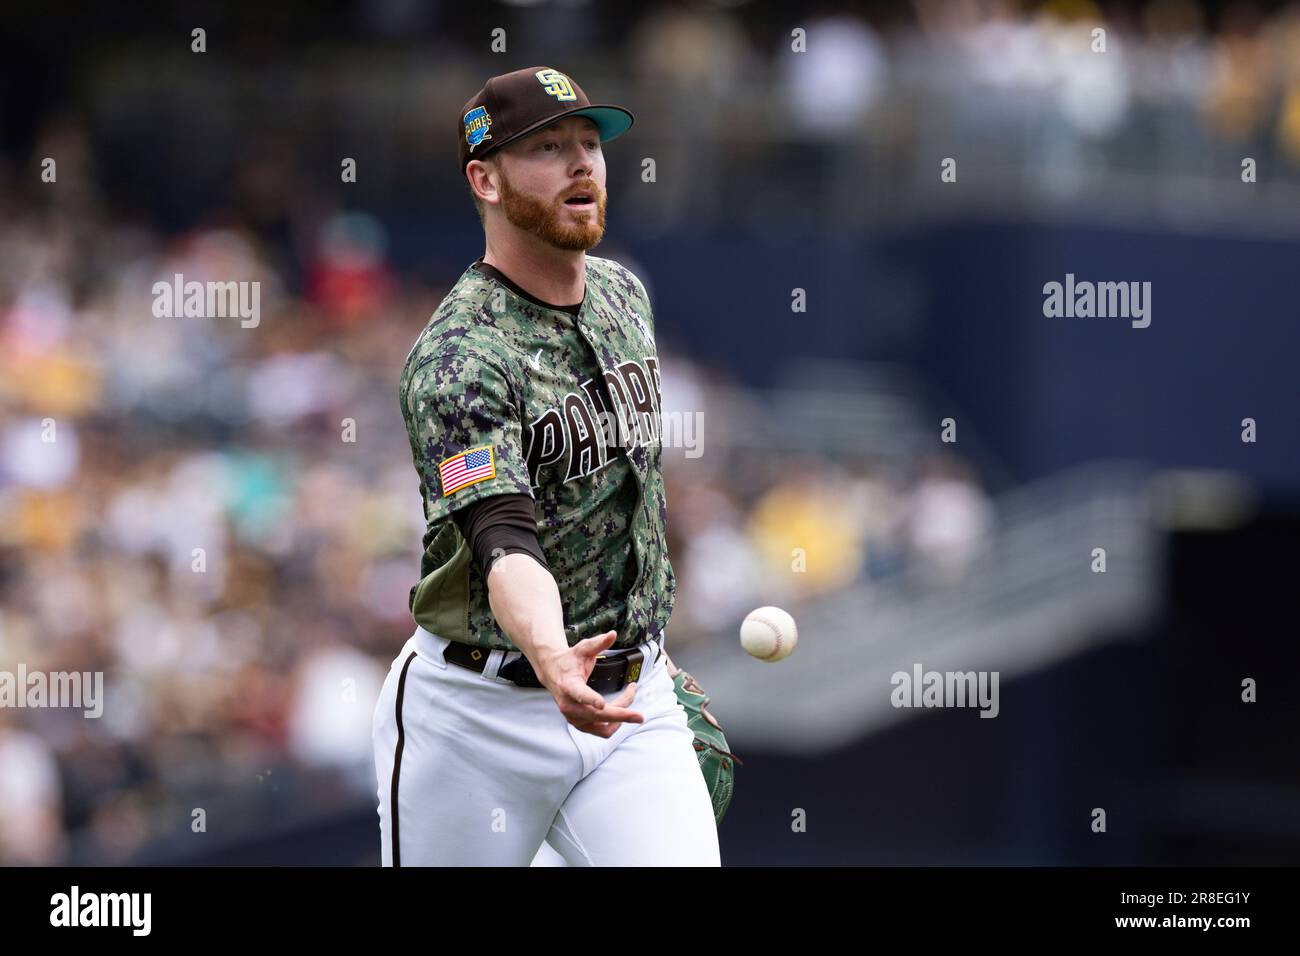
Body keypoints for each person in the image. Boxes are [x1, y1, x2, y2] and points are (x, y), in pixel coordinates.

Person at [372, 66, 721, 866]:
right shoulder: (458, 358)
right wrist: (549, 647)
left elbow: (625, 496)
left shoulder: (623, 295)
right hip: (477, 715)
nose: (582, 164)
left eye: (591, 143)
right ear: (483, 178)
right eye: (549, 146)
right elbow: (502, 537)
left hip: (630, 700)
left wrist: (647, 633)